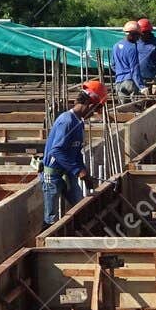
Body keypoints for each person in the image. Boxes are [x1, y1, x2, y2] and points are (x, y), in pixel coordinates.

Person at [42, 80, 107, 224]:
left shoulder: (79, 122)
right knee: (51, 219)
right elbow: (56, 151)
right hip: (53, 175)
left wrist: (83, 170)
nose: (93, 114)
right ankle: (48, 237)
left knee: (80, 207)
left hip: (68, 173)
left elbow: (76, 151)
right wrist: (78, 170)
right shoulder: (67, 121)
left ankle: (77, 231)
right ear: (90, 105)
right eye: (95, 110)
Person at [111, 21, 143, 99]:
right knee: (136, 108)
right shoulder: (132, 48)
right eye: (138, 36)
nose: (138, 38)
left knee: (123, 109)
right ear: (132, 34)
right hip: (130, 82)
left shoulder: (115, 46)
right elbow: (134, 70)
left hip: (118, 83)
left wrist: (121, 72)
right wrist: (142, 86)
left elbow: (113, 65)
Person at [134, 18, 156, 89]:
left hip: (152, 80)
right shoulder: (134, 43)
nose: (141, 35)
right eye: (140, 33)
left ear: (149, 31)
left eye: (143, 32)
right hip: (136, 79)